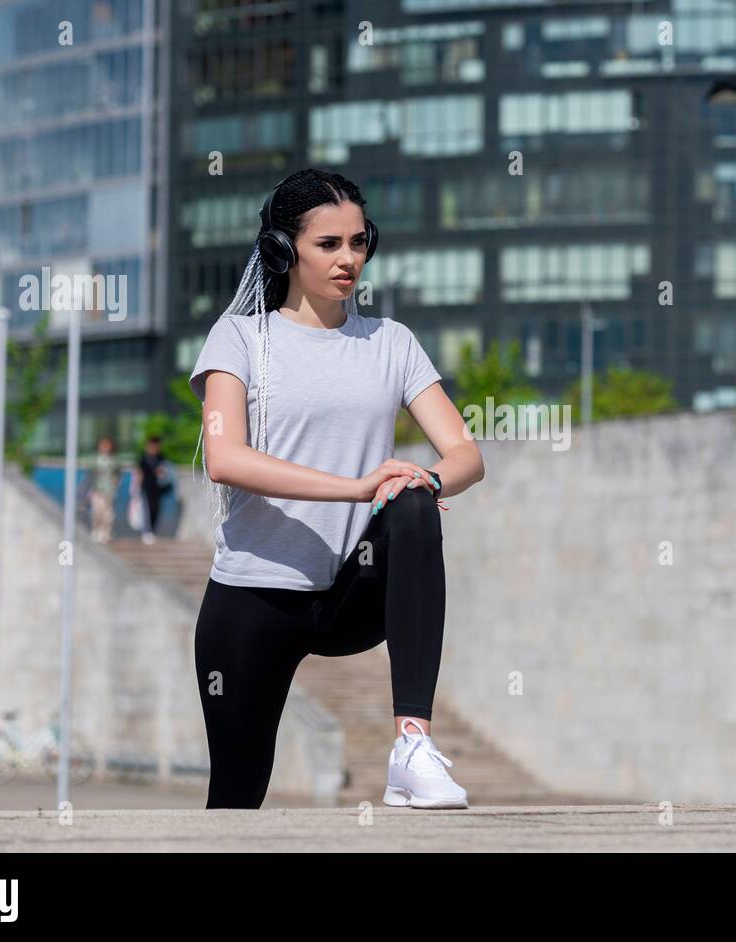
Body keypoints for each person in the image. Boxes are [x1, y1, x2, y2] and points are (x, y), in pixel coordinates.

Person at [187, 168, 485, 810]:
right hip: (254, 595)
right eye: (329, 244)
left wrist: (427, 477)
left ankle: (411, 745)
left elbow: (465, 453)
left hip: (353, 591)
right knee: (235, 798)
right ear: (282, 249)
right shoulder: (239, 339)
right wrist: (354, 488)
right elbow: (224, 457)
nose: (349, 259)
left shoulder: (393, 343)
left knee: (412, 500)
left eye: (358, 242)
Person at [137, 435, 172, 544]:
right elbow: (139, 473)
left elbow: (166, 470)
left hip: (158, 488)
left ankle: (152, 531)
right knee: (147, 509)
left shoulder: (161, 457)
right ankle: (146, 531)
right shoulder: (143, 458)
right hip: (146, 487)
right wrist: (137, 487)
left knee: (156, 509)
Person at [86, 436, 120, 543]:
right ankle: (96, 530)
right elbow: (90, 475)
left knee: (108, 513)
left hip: (109, 490)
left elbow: (117, 474)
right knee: (97, 511)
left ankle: (106, 533)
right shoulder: (95, 460)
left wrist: (115, 484)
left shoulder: (114, 461)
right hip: (97, 490)